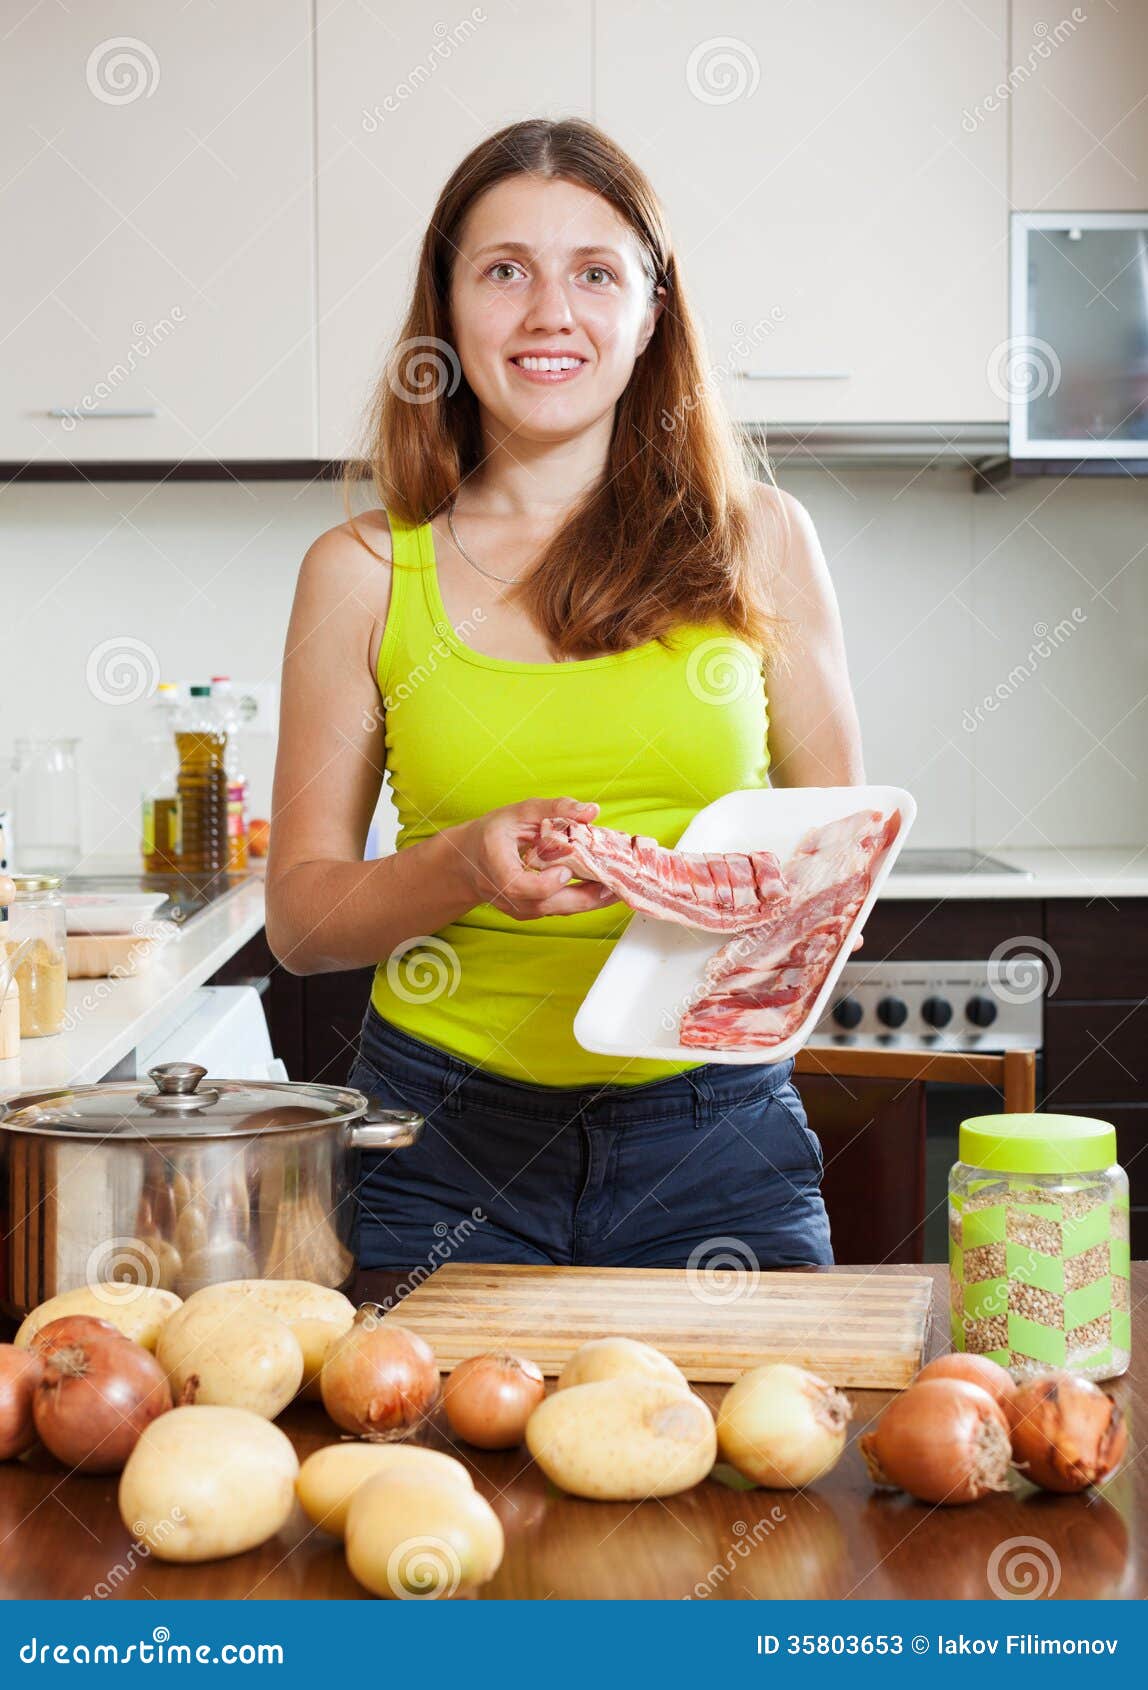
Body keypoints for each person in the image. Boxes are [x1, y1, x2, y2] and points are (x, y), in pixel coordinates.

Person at [266, 118, 864, 1273]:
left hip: (715, 1132)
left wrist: (731, 909)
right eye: (505, 272)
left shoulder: (763, 543)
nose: (551, 312)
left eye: (595, 273)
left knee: (769, 1453)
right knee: (414, 1458)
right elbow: (300, 921)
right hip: (436, 1139)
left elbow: (835, 861)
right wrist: (460, 867)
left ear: (650, 315)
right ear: (444, 315)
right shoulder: (361, 575)